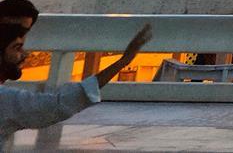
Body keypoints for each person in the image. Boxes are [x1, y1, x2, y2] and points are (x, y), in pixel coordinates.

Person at [1, 18, 152, 146]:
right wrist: (123, 61)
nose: (25, 54)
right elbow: (58, 104)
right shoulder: (6, 99)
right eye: (17, 48)